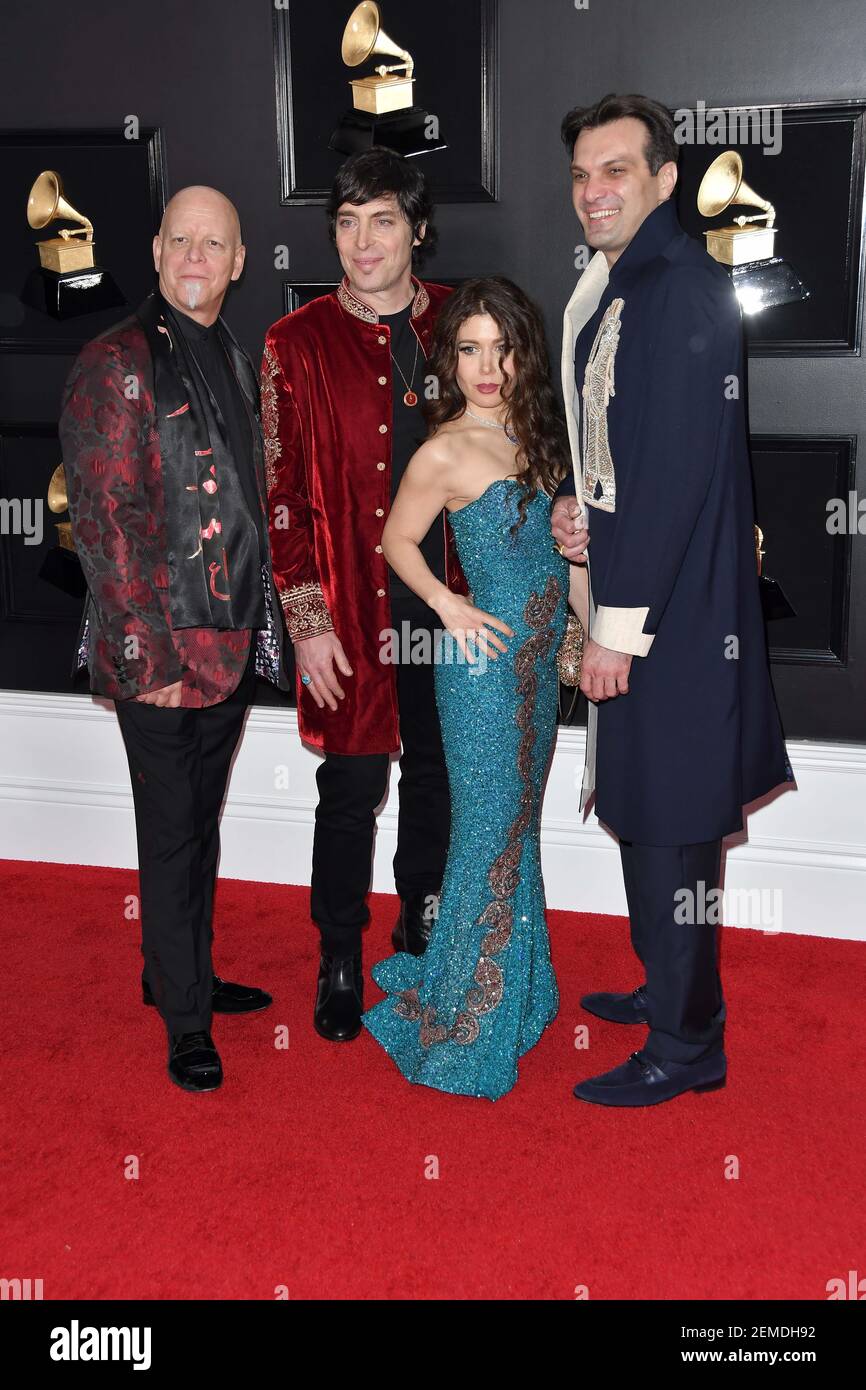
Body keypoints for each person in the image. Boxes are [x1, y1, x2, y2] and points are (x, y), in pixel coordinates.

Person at [550, 94, 791, 1107]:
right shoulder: (623, 285)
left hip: (672, 623)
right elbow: (625, 456)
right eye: (579, 175)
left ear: (662, 181)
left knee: (671, 822)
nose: (592, 190)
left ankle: (688, 1048)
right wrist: (579, 510)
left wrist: (614, 624)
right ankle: (670, 992)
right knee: (647, 816)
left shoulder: (678, 288)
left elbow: (679, 474)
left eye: (614, 170)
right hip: (650, 599)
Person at [59, 186, 288, 1093]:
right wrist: (143, 661)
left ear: (238, 262)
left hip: (226, 643)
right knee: (170, 835)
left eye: (215, 245)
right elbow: (105, 523)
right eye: (181, 241)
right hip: (160, 653)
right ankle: (186, 1021)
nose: (197, 257)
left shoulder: (231, 354)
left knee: (198, 825)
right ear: (156, 250)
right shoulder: (115, 360)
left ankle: (178, 970)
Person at [363, 276, 586, 1100]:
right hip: (482, 673)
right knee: (488, 833)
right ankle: (469, 1015)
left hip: (537, 669)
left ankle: (514, 987)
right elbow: (396, 540)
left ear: (522, 354)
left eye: (501, 348)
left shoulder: (544, 442)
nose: (485, 367)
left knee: (518, 829)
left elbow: (566, 555)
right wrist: (448, 603)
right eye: (468, 349)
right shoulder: (443, 450)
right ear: (449, 360)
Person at [263, 149, 468, 1043]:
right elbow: (282, 497)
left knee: (435, 775)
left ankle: (419, 925)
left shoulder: (467, 321)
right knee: (348, 784)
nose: (362, 241)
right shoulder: (295, 342)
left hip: (448, 598)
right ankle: (338, 953)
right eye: (345, 223)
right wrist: (306, 624)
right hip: (347, 606)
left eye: (381, 220)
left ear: (417, 228)